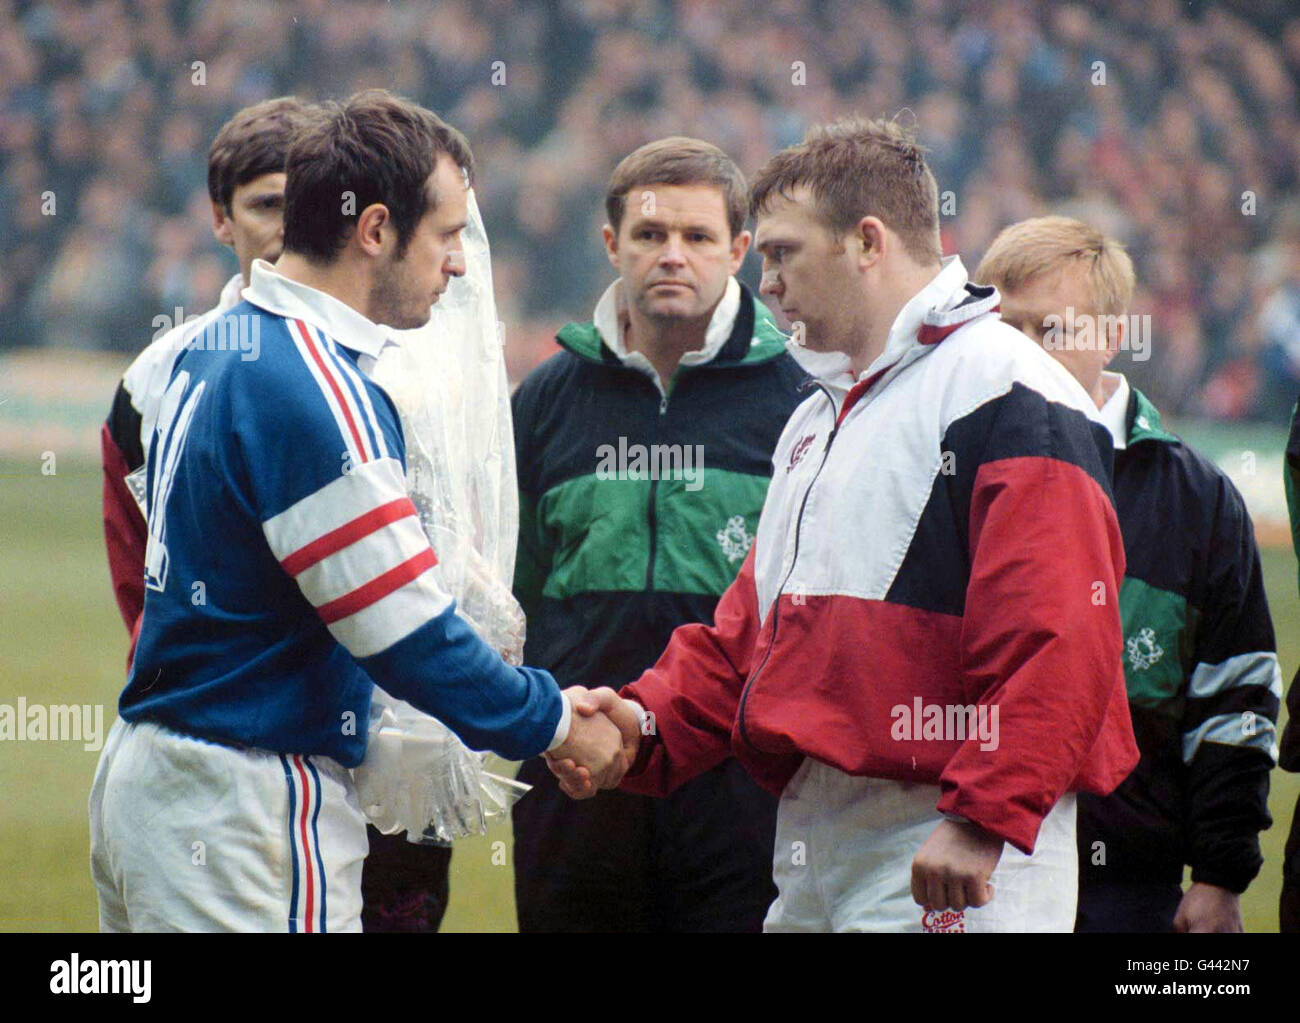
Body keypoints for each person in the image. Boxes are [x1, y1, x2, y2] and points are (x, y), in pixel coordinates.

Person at [549, 116, 1139, 933]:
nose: (770, 284)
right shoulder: (819, 414)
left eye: (784, 253)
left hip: (948, 838)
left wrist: (984, 816)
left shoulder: (1007, 391)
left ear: (867, 242)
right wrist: (643, 723)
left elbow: (1063, 635)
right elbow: (750, 636)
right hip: (818, 832)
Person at [88, 89, 627, 933]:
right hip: (248, 802)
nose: (458, 263)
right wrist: (553, 719)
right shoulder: (314, 380)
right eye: (447, 235)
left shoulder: (212, 349)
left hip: (158, 779)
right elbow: (403, 625)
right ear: (375, 230)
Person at [509, 137, 808, 932]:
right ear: (612, 244)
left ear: (739, 250)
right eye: (649, 235)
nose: (672, 255)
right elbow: (511, 595)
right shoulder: (544, 401)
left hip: (744, 786)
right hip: (572, 774)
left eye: (698, 237)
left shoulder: (802, 402)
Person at [975, 215, 1281, 933]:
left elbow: (1233, 696)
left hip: (1132, 893)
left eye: (1049, 329)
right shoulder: (953, 472)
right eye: (1003, 329)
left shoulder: (1197, 499)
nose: (1021, 354)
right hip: (976, 867)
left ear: (1112, 335)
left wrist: (1218, 874)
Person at [101, 97, 315, 670]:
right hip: (196, 716)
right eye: (268, 205)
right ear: (220, 219)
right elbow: (137, 574)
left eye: (310, 204)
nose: (290, 229)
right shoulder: (152, 380)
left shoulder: (389, 367)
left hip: (351, 732)